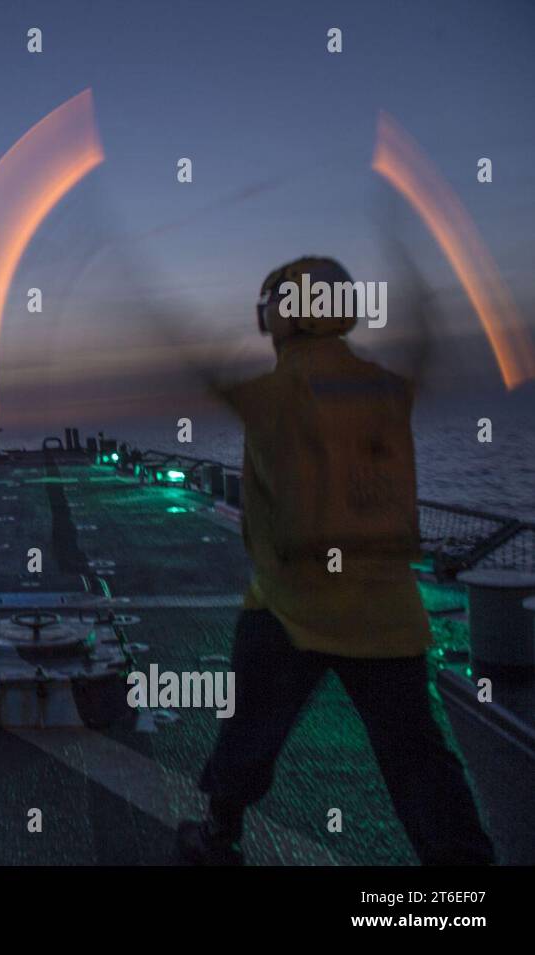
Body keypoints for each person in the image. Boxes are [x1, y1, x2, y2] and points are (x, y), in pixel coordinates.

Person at [177, 256, 494, 866]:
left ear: (280, 316)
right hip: (387, 610)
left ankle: (218, 837)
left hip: (290, 605)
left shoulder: (269, 393)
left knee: (249, 735)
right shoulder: (384, 386)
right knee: (418, 757)